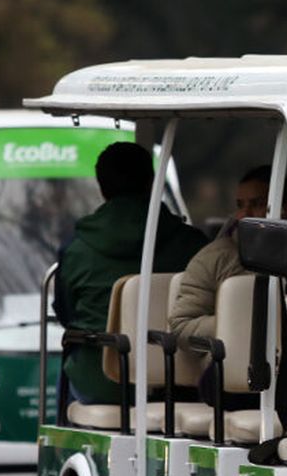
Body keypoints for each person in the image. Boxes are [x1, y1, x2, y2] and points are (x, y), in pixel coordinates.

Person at [55, 142, 206, 406]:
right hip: (179, 382)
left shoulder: (76, 250)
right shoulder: (193, 244)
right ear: (151, 182)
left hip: (103, 382)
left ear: (101, 188)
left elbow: (66, 313)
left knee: (69, 365)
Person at [168, 166, 287, 407]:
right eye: (240, 205)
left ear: (285, 207)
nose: (244, 214)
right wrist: (238, 327)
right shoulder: (214, 258)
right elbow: (180, 327)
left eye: (256, 204)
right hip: (233, 380)